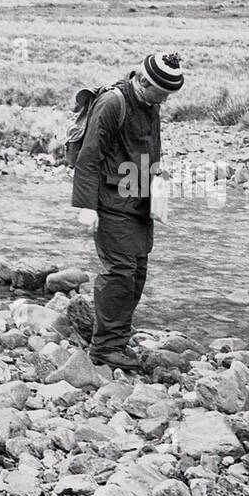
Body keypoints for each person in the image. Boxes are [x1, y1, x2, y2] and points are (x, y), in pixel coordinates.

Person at [71, 52, 183, 369]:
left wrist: (159, 184)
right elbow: (89, 158)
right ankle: (105, 349)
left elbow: (152, 147)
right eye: (161, 93)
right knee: (119, 273)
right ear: (143, 81)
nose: (164, 100)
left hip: (138, 200)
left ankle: (117, 339)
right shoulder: (111, 104)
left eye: (168, 95)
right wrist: (86, 206)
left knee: (137, 273)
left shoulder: (150, 103)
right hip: (110, 201)